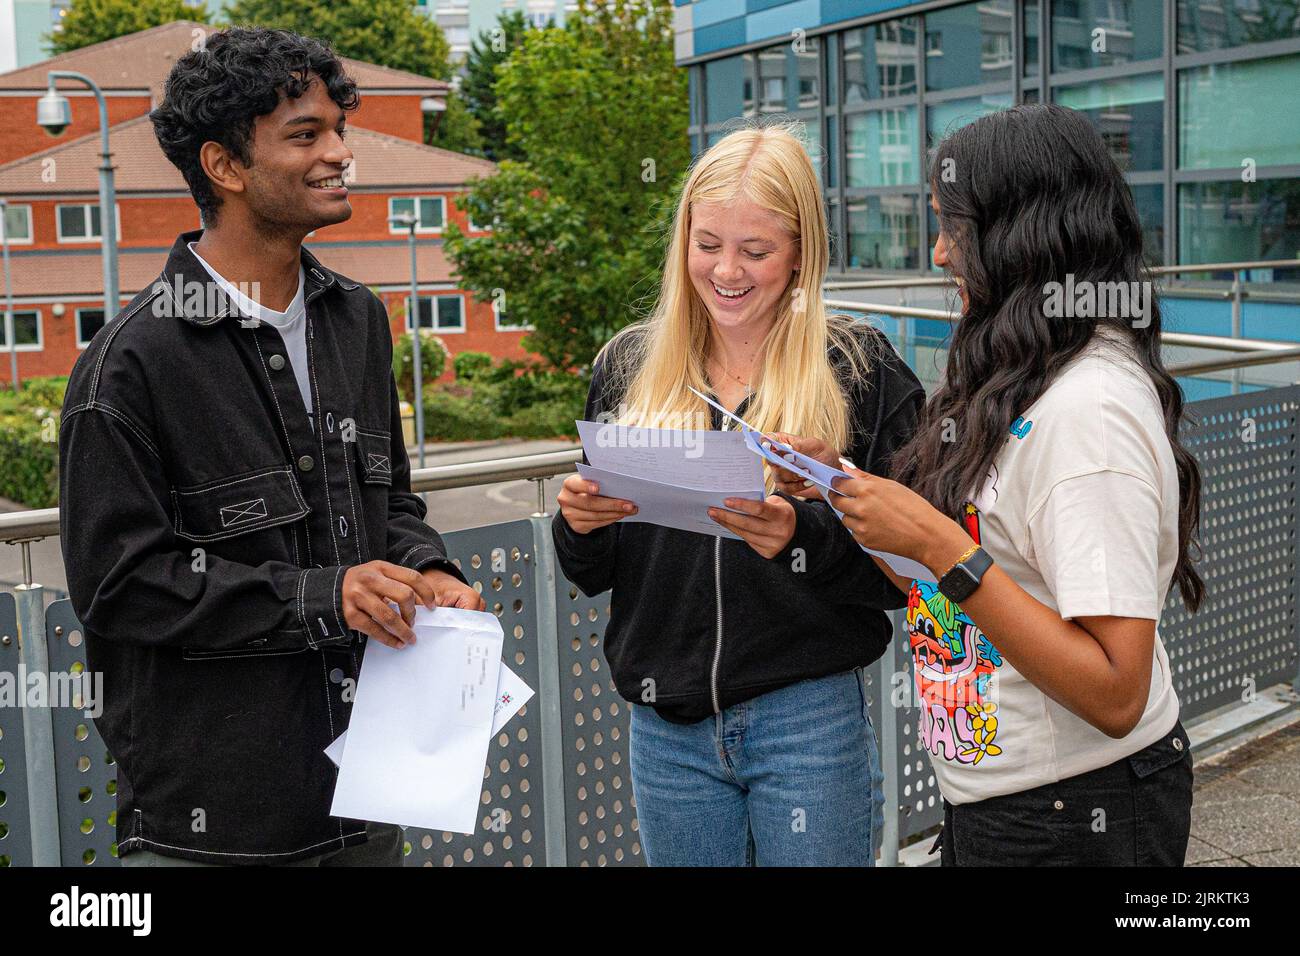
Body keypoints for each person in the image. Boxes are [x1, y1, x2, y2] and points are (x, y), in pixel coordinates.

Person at [58, 27, 483, 867]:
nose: (339, 155)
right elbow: (120, 587)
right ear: (224, 166)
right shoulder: (131, 366)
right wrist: (323, 594)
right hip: (218, 828)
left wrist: (430, 570)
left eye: (338, 130)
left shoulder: (357, 320)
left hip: (368, 792)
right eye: (305, 135)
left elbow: (388, 499)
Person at [780, 103, 1202, 866]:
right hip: (1013, 804)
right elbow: (964, 576)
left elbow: (1115, 692)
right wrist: (844, 492)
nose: (940, 253)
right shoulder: (1027, 374)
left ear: (1021, 238)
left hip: (1078, 809)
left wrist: (941, 544)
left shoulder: (1089, 413)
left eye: (954, 228)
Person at [552, 124, 926, 866]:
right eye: (707, 244)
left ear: (801, 254)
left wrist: (802, 536)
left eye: (756, 251)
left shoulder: (859, 368)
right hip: (667, 731)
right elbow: (590, 573)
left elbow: (908, 575)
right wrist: (581, 526)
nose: (726, 271)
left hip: (808, 718)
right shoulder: (630, 365)